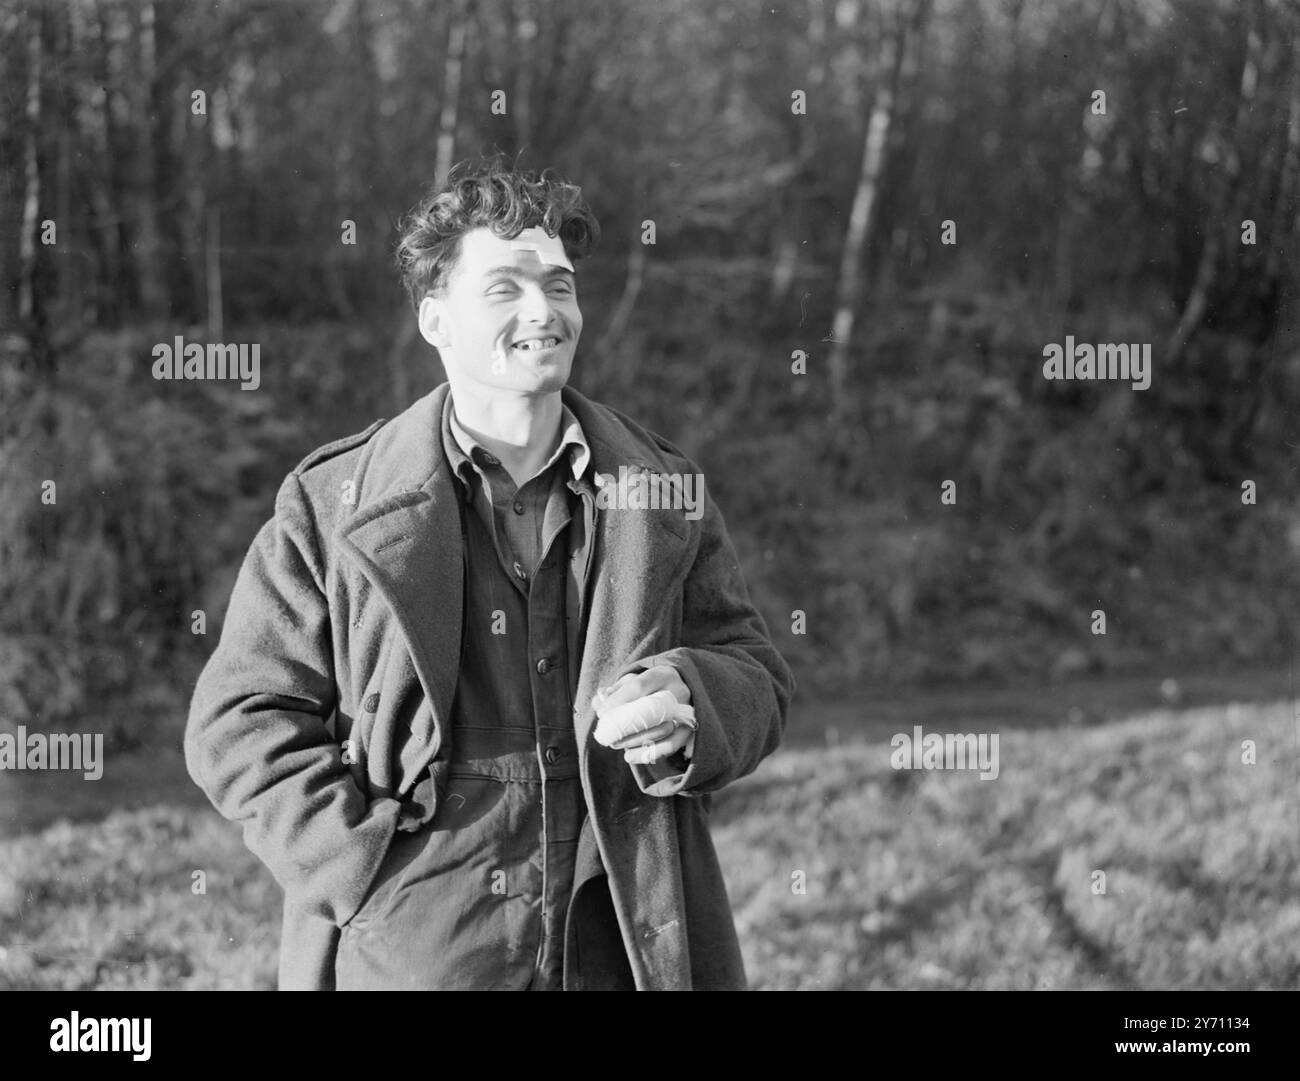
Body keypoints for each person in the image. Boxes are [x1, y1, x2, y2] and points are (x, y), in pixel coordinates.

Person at [184, 157, 796, 990]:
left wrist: (695, 698)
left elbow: (757, 671)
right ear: (436, 319)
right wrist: (359, 866)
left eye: (560, 284)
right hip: (416, 952)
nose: (544, 309)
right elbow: (239, 718)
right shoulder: (330, 501)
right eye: (504, 287)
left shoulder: (664, 489)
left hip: (620, 942)